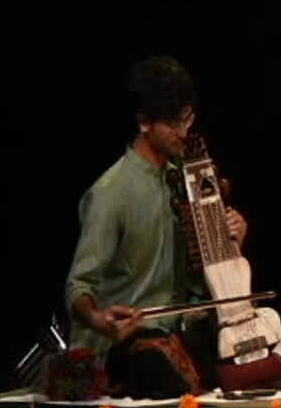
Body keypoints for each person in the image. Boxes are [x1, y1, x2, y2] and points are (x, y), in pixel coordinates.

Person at [64, 55, 248, 355]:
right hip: (123, 352)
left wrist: (230, 242)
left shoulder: (185, 178)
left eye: (187, 119)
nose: (185, 133)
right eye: (174, 124)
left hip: (176, 343)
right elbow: (78, 287)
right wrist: (97, 318)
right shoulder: (111, 192)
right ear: (144, 122)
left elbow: (199, 281)